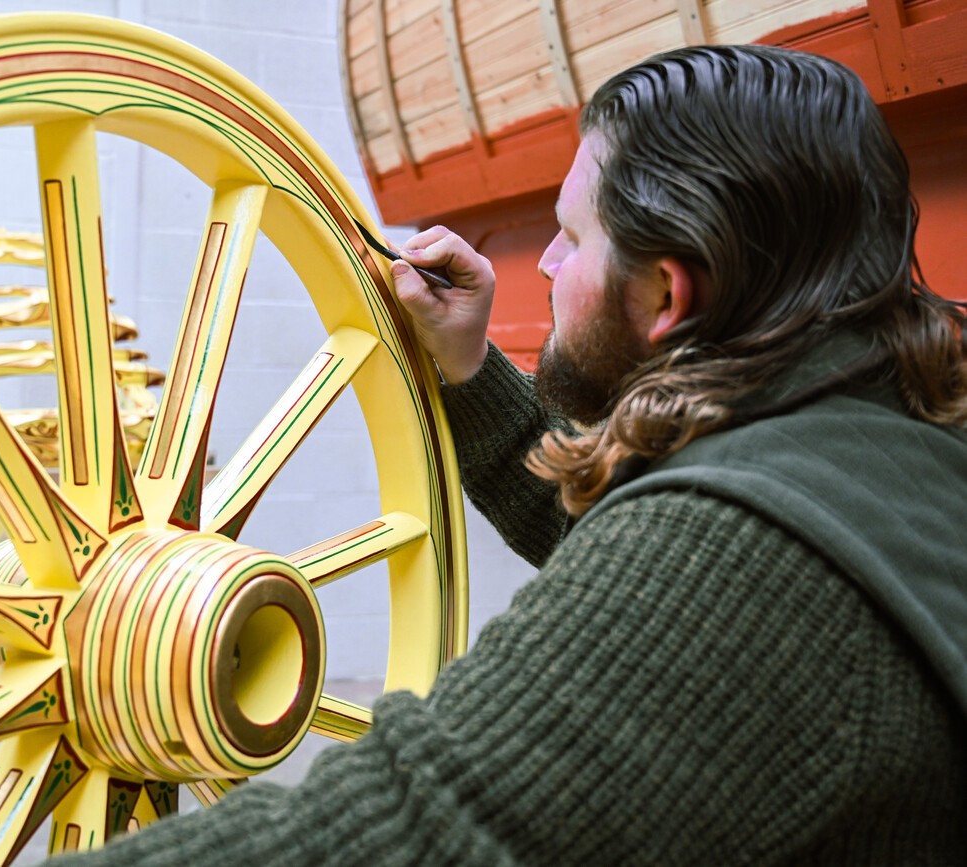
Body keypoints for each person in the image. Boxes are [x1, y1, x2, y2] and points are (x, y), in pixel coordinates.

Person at [49, 44, 967, 864]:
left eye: (573, 237)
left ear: (668, 292)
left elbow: (408, 834)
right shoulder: (886, 429)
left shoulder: (740, 561)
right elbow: (611, 533)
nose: (545, 267)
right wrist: (472, 366)